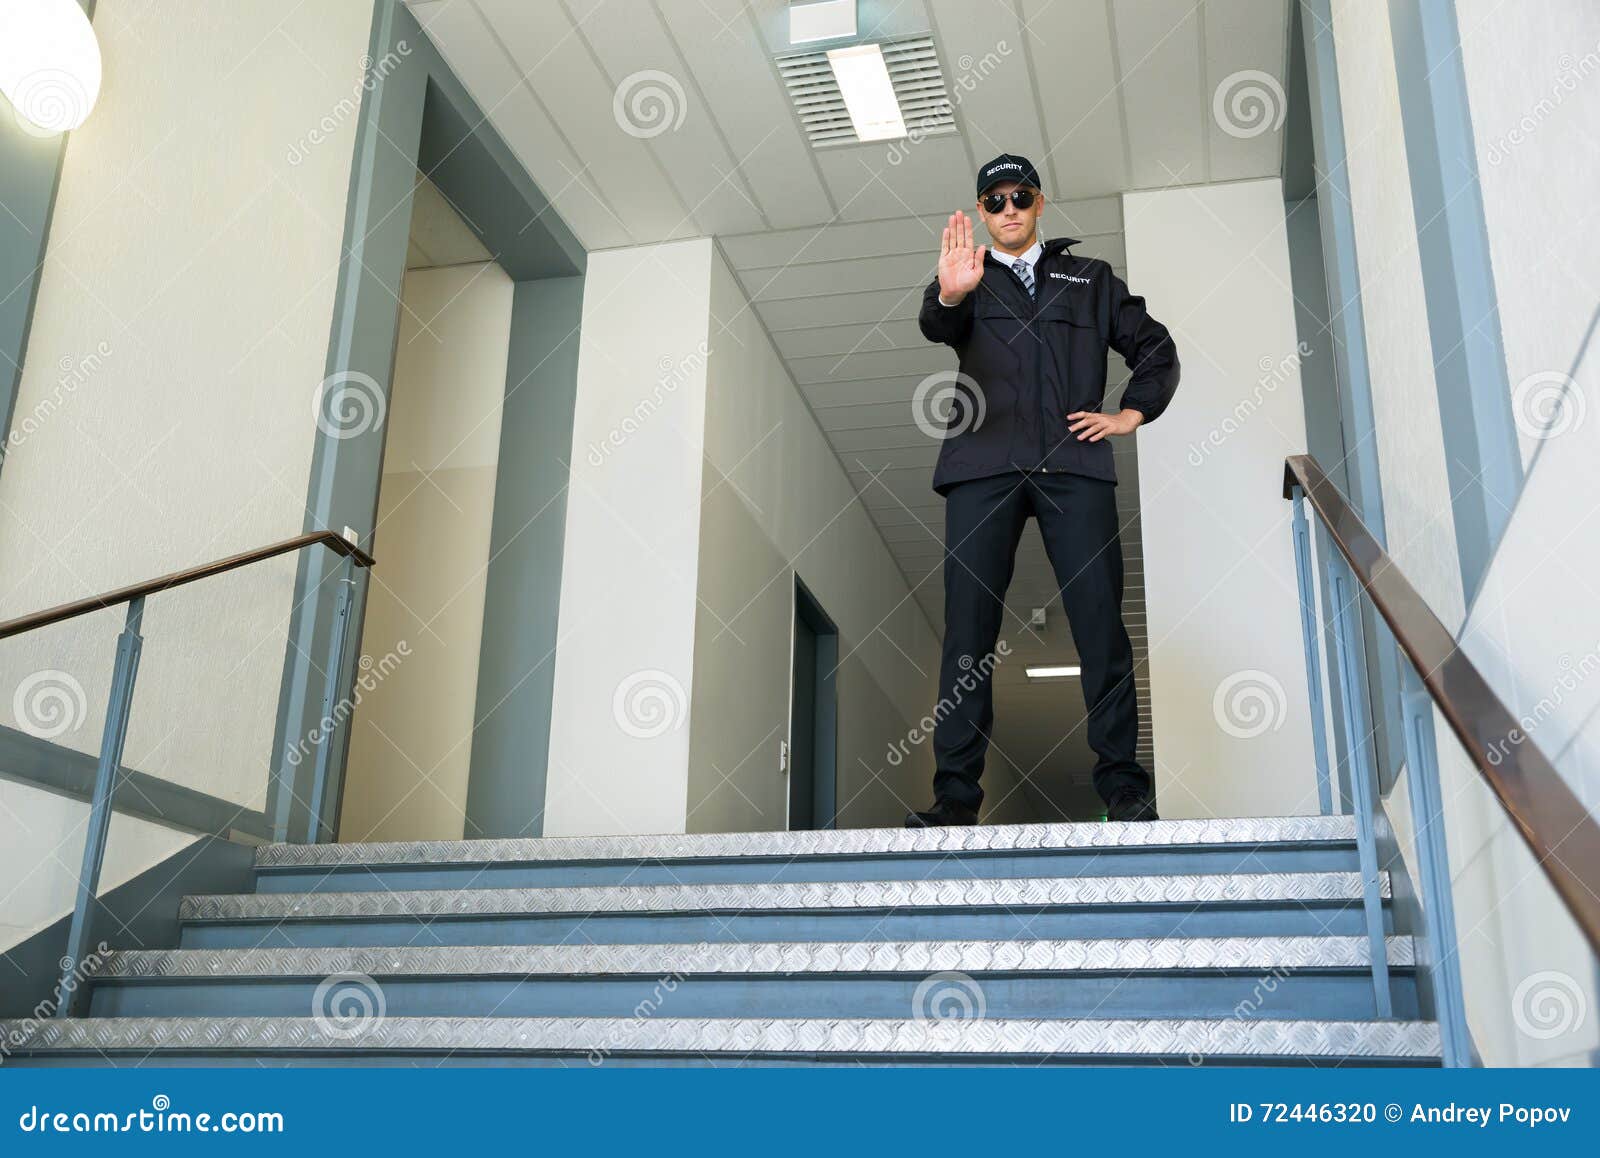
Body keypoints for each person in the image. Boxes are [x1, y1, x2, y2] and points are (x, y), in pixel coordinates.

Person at [905, 154, 1180, 827]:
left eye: (1018, 197)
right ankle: (956, 799)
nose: (1007, 210)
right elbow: (938, 325)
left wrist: (1130, 413)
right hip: (982, 466)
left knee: (1099, 627)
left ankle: (1123, 790)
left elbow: (1154, 345)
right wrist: (948, 295)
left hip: (1073, 464)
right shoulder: (966, 277)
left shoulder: (1089, 279)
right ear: (981, 212)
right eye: (993, 201)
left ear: (1039, 202)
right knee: (968, 634)